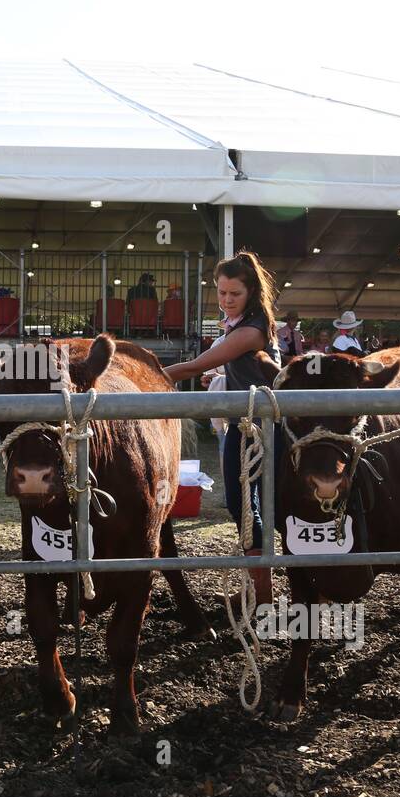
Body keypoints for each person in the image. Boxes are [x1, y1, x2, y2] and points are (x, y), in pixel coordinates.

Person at [164, 252, 280, 607]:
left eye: (234, 294)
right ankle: (258, 589)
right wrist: (219, 375)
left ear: (252, 293)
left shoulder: (251, 330)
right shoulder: (244, 325)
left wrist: (149, 375)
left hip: (252, 430)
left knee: (244, 505)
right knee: (246, 505)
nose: (227, 300)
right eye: (222, 293)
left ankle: (261, 595)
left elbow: (194, 365)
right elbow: (225, 368)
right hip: (243, 426)